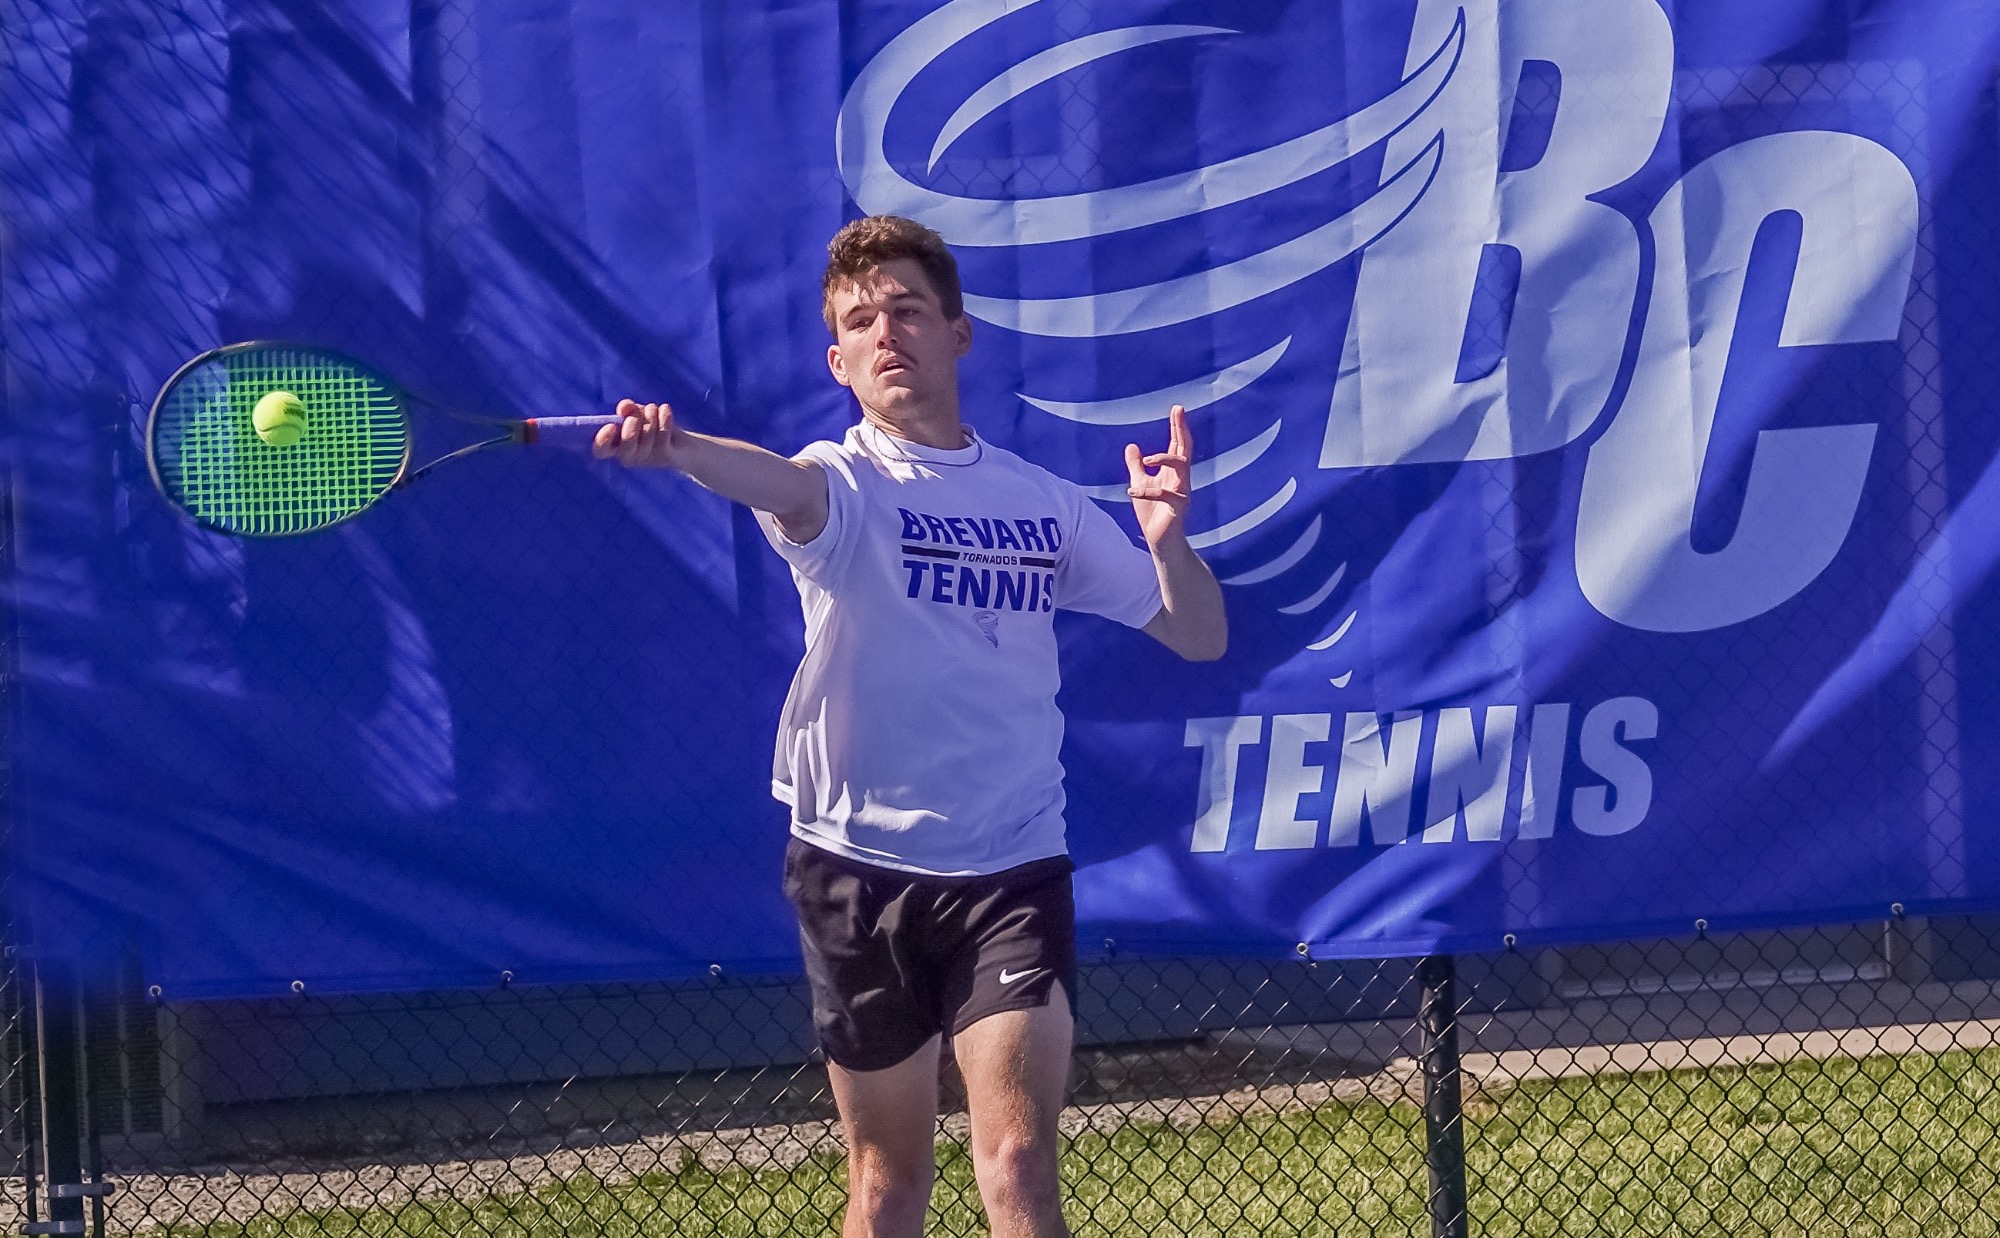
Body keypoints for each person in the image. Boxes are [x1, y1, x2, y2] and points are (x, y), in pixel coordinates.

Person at [597, 215, 1226, 1238]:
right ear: (837, 360)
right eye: (859, 319)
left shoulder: (1046, 507)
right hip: (855, 872)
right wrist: (679, 452)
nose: (884, 331)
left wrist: (1166, 546)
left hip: (1011, 871)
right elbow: (775, 481)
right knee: (888, 1181)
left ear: (956, 333)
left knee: (1016, 1160)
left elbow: (1195, 635)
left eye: (904, 310)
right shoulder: (841, 484)